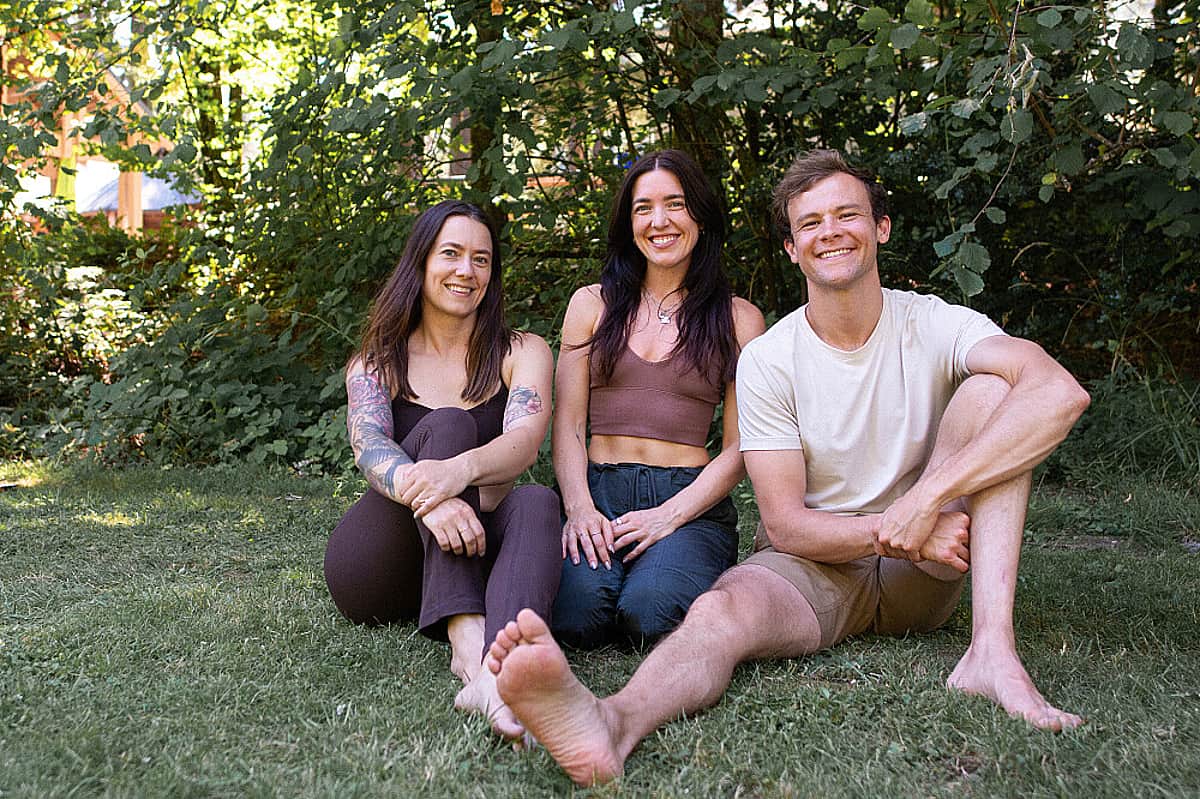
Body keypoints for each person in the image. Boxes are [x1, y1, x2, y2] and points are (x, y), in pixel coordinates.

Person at [485, 149, 1091, 785]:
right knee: (718, 612)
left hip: (928, 555)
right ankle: (611, 721)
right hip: (814, 563)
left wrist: (925, 503)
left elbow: (1059, 394)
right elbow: (788, 527)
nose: (830, 232)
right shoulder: (771, 357)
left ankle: (992, 651)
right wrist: (898, 522)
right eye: (811, 223)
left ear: (880, 227)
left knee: (997, 390)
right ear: (791, 247)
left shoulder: (937, 323)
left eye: (847, 215)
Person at [323, 200, 560, 744]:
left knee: (537, 502)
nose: (466, 270)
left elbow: (524, 444)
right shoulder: (377, 361)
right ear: (421, 262)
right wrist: (436, 496)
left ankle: (502, 674)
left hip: (477, 544)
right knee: (450, 423)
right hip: (380, 567)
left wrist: (458, 474)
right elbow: (370, 446)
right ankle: (467, 641)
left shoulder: (522, 351)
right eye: (450, 253)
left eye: (481, 259)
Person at [549, 149, 765, 647]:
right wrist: (579, 508)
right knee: (577, 618)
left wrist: (671, 514)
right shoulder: (591, 305)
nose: (659, 221)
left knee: (648, 615)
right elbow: (567, 427)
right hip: (597, 491)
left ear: (702, 218)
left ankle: (685, 567)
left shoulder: (739, 320)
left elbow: (741, 447)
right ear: (629, 224)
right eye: (644, 208)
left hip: (689, 497)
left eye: (676, 204)